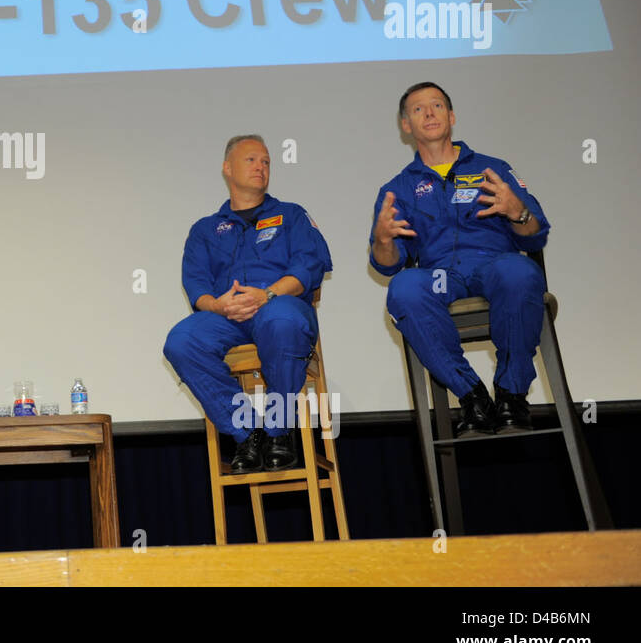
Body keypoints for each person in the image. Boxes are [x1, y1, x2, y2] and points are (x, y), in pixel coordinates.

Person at [370, 82, 550, 436]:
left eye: (437, 106)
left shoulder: (493, 168)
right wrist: (382, 238)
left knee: (519, 271)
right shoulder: (398, 188)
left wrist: (518, 213)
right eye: (418, 109)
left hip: (493, 265)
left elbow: (537, 233)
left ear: (451, 116)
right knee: (404, 287)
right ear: (406, 126)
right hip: (440, 275)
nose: (429, 113)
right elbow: (387, 264)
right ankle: (472, 396)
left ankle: (512, 395)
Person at [163, 135, 333, 473]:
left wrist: (267, 294)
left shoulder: (291, 215)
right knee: (181, 341)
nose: (261, 167)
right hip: (228, 316)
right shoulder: (205, 229)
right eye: (251, 160)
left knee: (280, 320)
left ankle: (278, 431)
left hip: (281, 305)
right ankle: (247, 433)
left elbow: (309, 265)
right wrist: (219, 305)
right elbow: (196, 286)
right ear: (227, 169)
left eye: (266, 161)